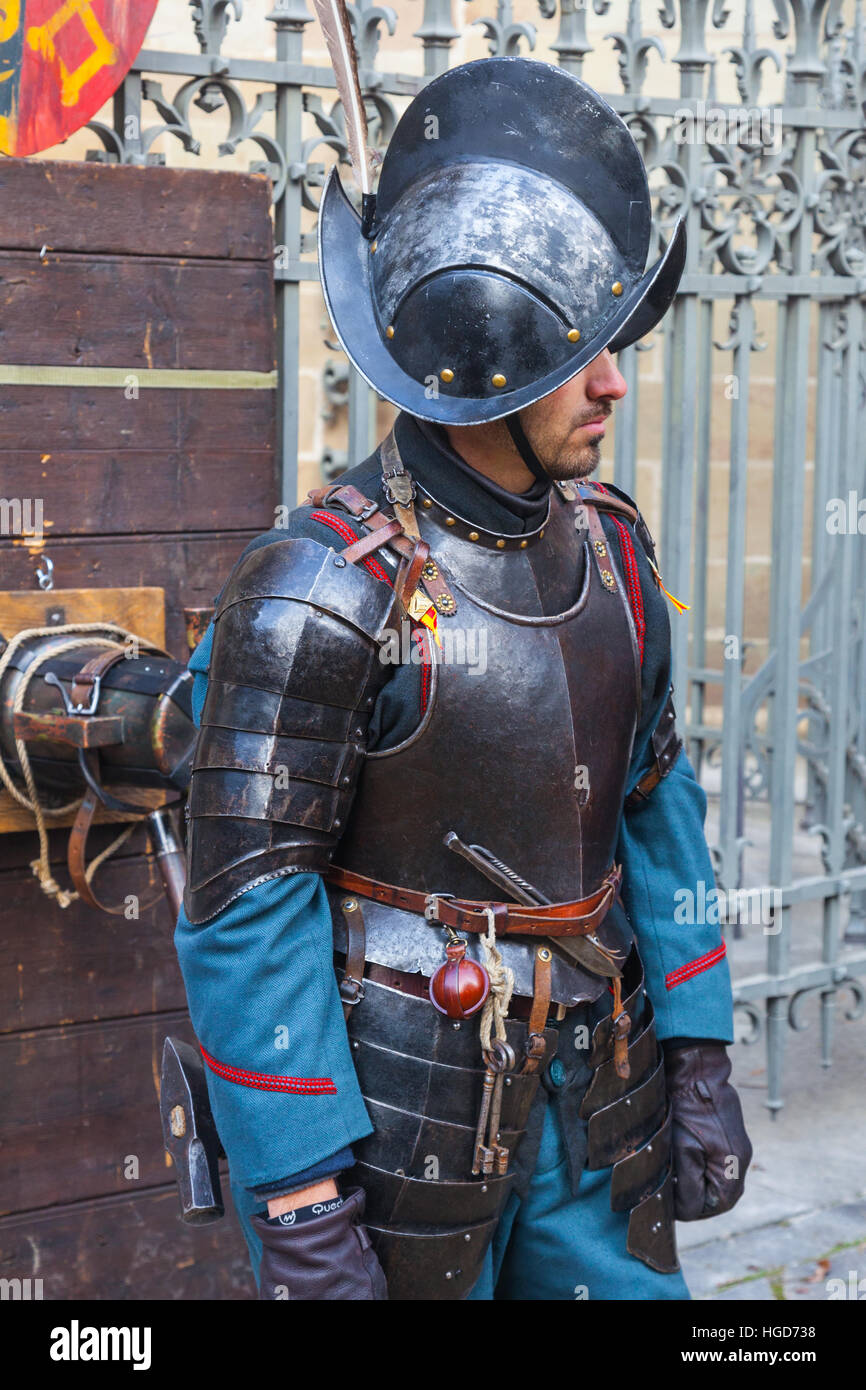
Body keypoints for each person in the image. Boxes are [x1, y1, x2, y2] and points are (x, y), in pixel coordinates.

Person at [175, 56, 751, 1301]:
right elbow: (246, 910)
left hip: (602, 1100)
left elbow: (656, 806)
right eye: (579, 354)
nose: (610, 382)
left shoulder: (612, 547)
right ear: (484, 357)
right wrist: (299, 1193)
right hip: (398, 1119)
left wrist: (697, 1046)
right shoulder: (320, 584)